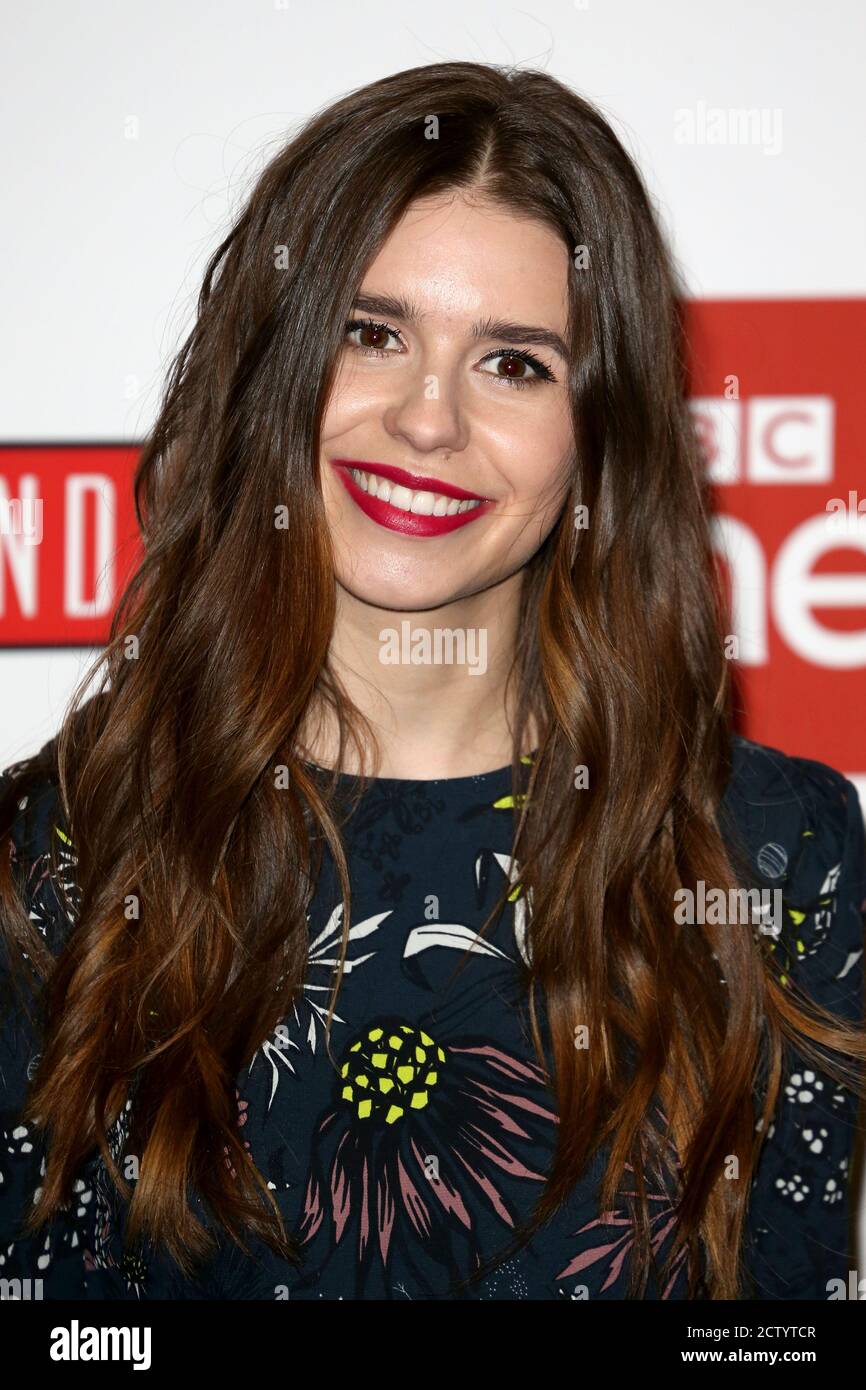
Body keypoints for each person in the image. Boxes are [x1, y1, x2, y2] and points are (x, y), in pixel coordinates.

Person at [1, 60, 864, 1302]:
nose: (426, 419)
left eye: (513, 363)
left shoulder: (770, 856)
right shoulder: (61, 852)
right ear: (272, 374)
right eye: (372, 332)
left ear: (597, 440)